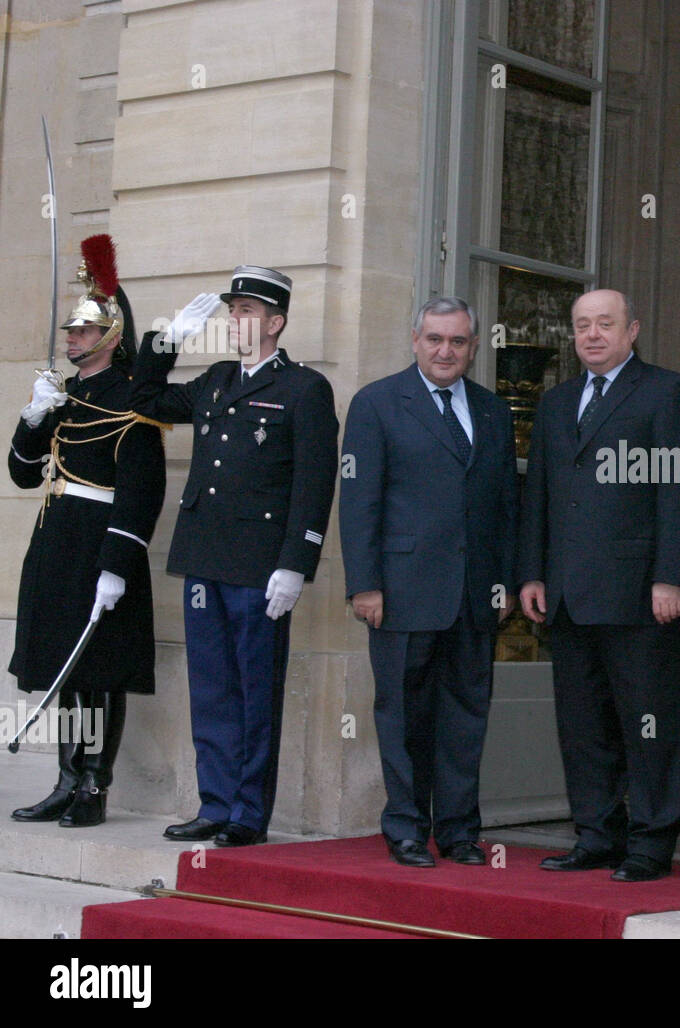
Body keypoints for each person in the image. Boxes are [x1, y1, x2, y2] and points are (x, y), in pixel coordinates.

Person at [130, 266, 338, 847]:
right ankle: (214, 802)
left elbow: (314, 484)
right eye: (232, 310)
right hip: (205, 557)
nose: (235, 321)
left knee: (253, 690)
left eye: (247, 311)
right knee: (212, 689)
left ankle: (247, 814)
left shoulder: (303, 388)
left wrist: (296, 563)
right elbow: (144, 397)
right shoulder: (216, 379)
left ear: (275, 322)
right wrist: (167, 340)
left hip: (260, 564)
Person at [518, 289, 680, 882]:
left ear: (632, 330)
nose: (593, 335)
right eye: (582, 326)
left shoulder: (667, 392)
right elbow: (539, 496)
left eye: (605, 324)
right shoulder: (555, 403)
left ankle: (652, 841)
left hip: (639, 594)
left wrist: (669, 577)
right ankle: (597, 834)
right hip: (568, 595)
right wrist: (532, 570)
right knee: (582, 725)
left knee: (648, 722)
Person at [339, 297, 518, 868]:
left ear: (472, 346)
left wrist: (507, 582)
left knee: (466, 716)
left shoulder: (493, 411)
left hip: (474, 593)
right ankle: (407, 828)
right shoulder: (377, 403)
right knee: (404, 715)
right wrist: (364, 585)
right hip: (401, 590)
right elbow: (359, 500)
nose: (446, 351)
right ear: (415, 340)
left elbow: (506, 506)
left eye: (458, 342)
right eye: (435, 339)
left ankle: (461, 830)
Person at [8, 235, 165, 828]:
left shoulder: (132, 399)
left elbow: (142, 491)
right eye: (70, 331)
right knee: (62, 671)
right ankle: (66, 778)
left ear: (110, 335)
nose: (70, 339)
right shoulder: (64, 394)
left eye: (81, 330)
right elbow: (24, 476)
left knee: (96, 672)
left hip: (100, 545)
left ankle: (94, 787)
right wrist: (32, 416)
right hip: (56, 541)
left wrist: (116, 566)